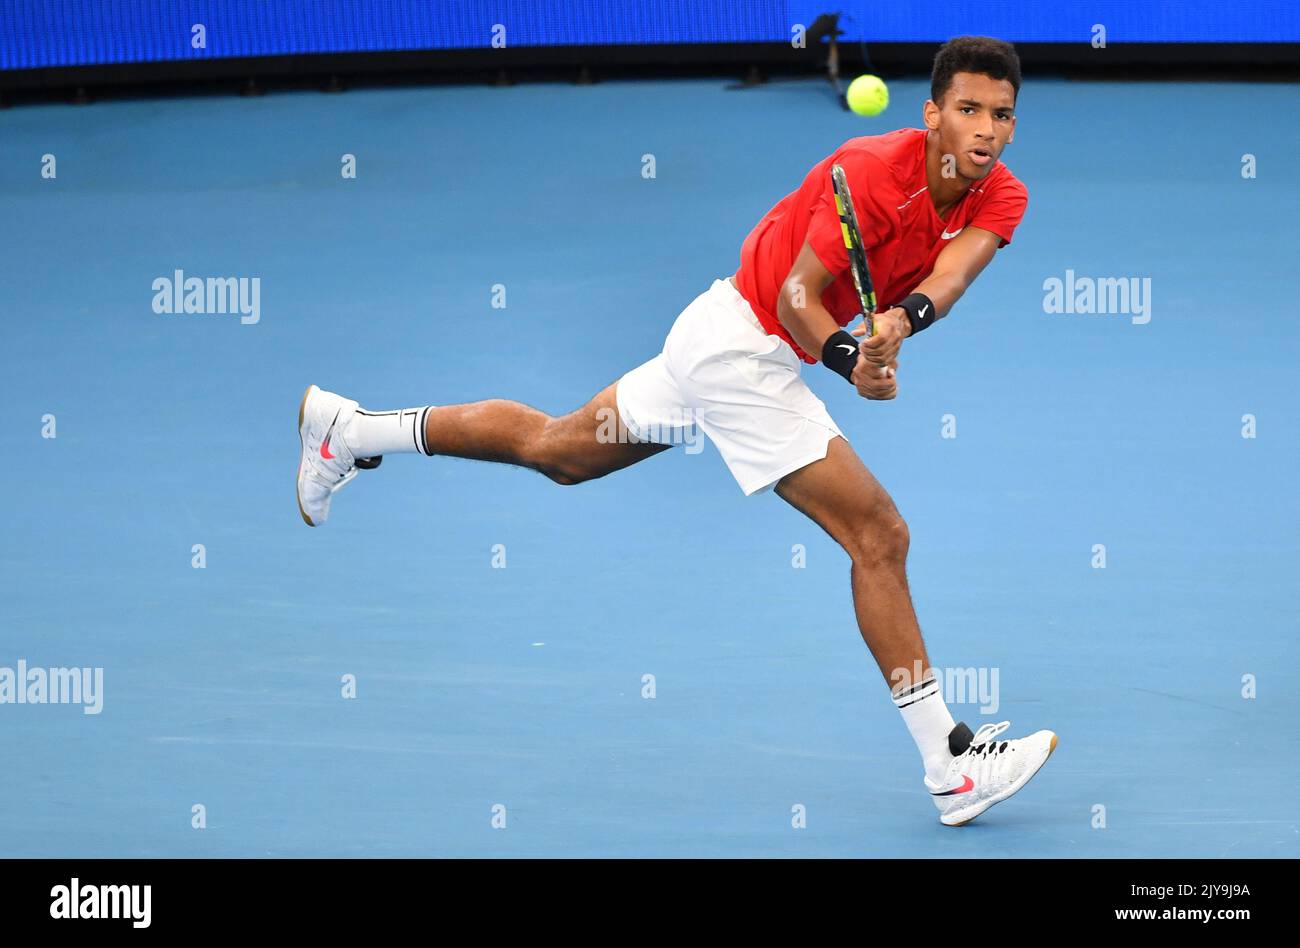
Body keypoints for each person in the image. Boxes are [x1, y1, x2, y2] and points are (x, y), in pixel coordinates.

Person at [296, 35, 1056, 826]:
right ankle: (950, 759)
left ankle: (350, 430)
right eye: (968, 109)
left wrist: (899, 321)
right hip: (741, 347)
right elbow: (801, 293)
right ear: (932, 114)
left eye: (1001, 115)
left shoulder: (1003, 194)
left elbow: (953, 274)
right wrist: (846, 358)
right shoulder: (865, 172)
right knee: (878, 533)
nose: (986, 130)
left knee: (559, 451)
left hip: (724, 339)